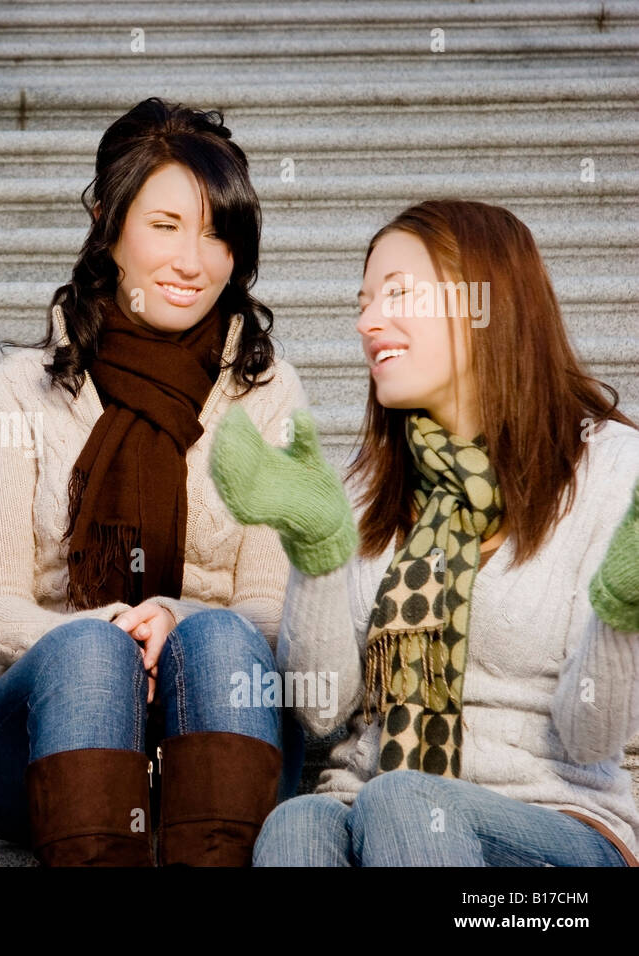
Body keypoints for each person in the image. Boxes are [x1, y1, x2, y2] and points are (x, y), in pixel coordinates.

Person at [211, 199, 639, 866]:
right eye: (363, 301)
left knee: (407, 800)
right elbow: (323, 717)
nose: (367, 321)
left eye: (398, 294)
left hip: (557, 828)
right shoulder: (365, 488)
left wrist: (619, 610)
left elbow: (593, 742)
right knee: (298, 823)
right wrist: (320, 552)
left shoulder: (610, 470)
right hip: (376, 808)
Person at [0, 98, 312, 866]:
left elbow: (275, 609)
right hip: (40, 735)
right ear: (107, 223)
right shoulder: (23, 389)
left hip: (221, 724)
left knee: (221, 631)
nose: (193, 261)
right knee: (90, 654)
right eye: (165, 226)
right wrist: (112, 635)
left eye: (219, 233)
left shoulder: (265, 392)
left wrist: (173, 617)